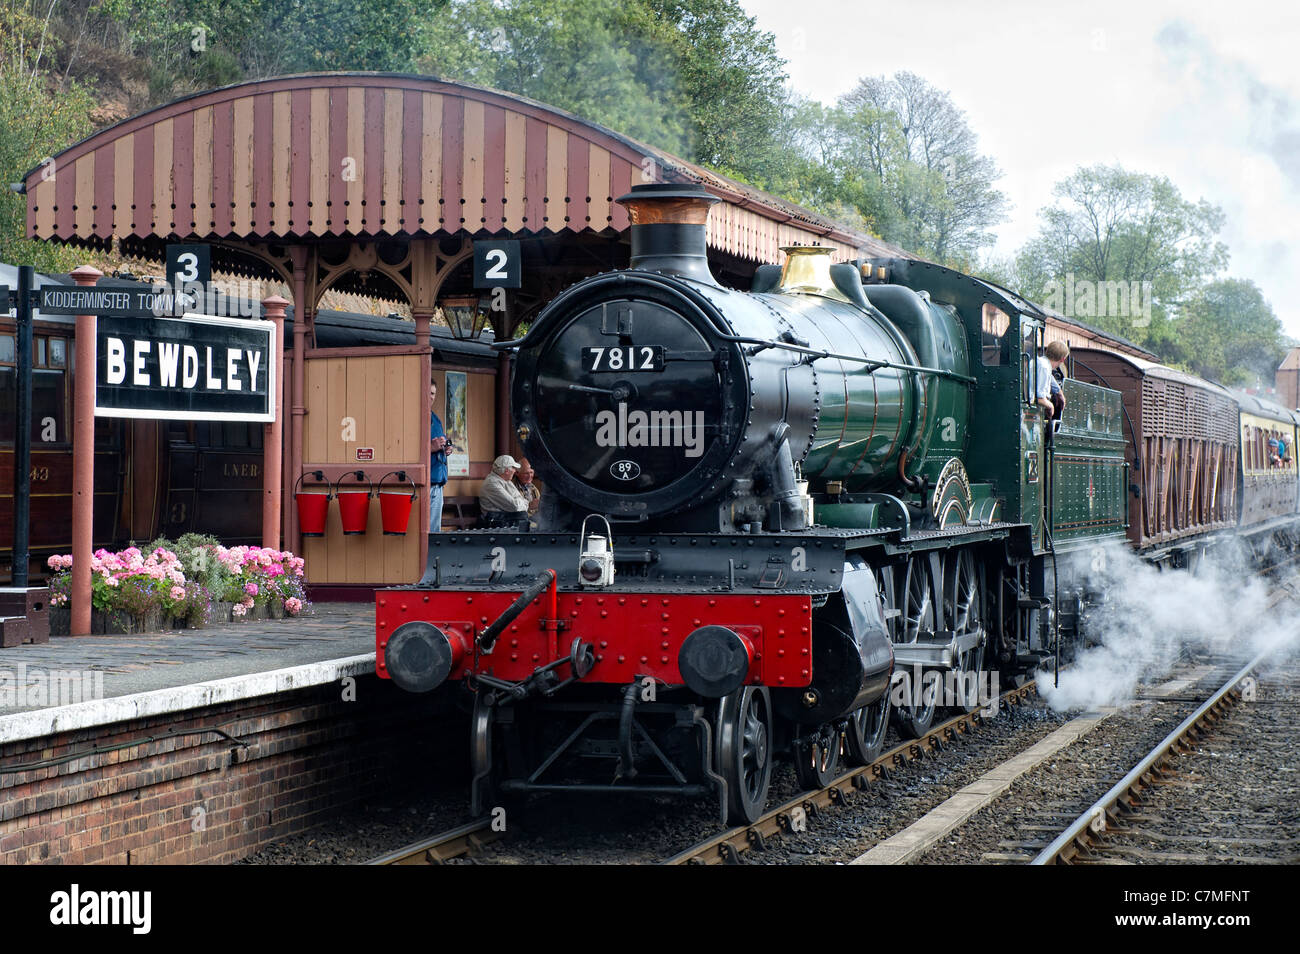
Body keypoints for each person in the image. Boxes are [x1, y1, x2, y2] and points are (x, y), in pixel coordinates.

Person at [479, 455, 529, 527]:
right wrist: (523, 503)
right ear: (506, 471)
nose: (515, 471)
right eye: (513, 468)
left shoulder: (506, 481)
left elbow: (520, 501)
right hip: (493, 520)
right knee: (522, 515)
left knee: (525, 515)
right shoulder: (492, 483)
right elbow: (514, 506)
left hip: (503, 518)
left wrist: (521, 503)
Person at [429, 379, 450, 532]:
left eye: (433, 393)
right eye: (428, 393)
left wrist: (446, 448)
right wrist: (431, 447)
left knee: (435, 531)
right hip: (424, 483)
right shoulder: (413, 416)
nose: (431, 397)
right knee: (426, 533)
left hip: (438, 482)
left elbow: (440, 442)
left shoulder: (435, 419)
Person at [1035, 340, 1070, 421]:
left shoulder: (1042, 363)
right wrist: (1050, 406)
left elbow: (1049, 377)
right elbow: (1039, 398)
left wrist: (1059, 392)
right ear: (1062, 360)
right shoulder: (1044, 368)